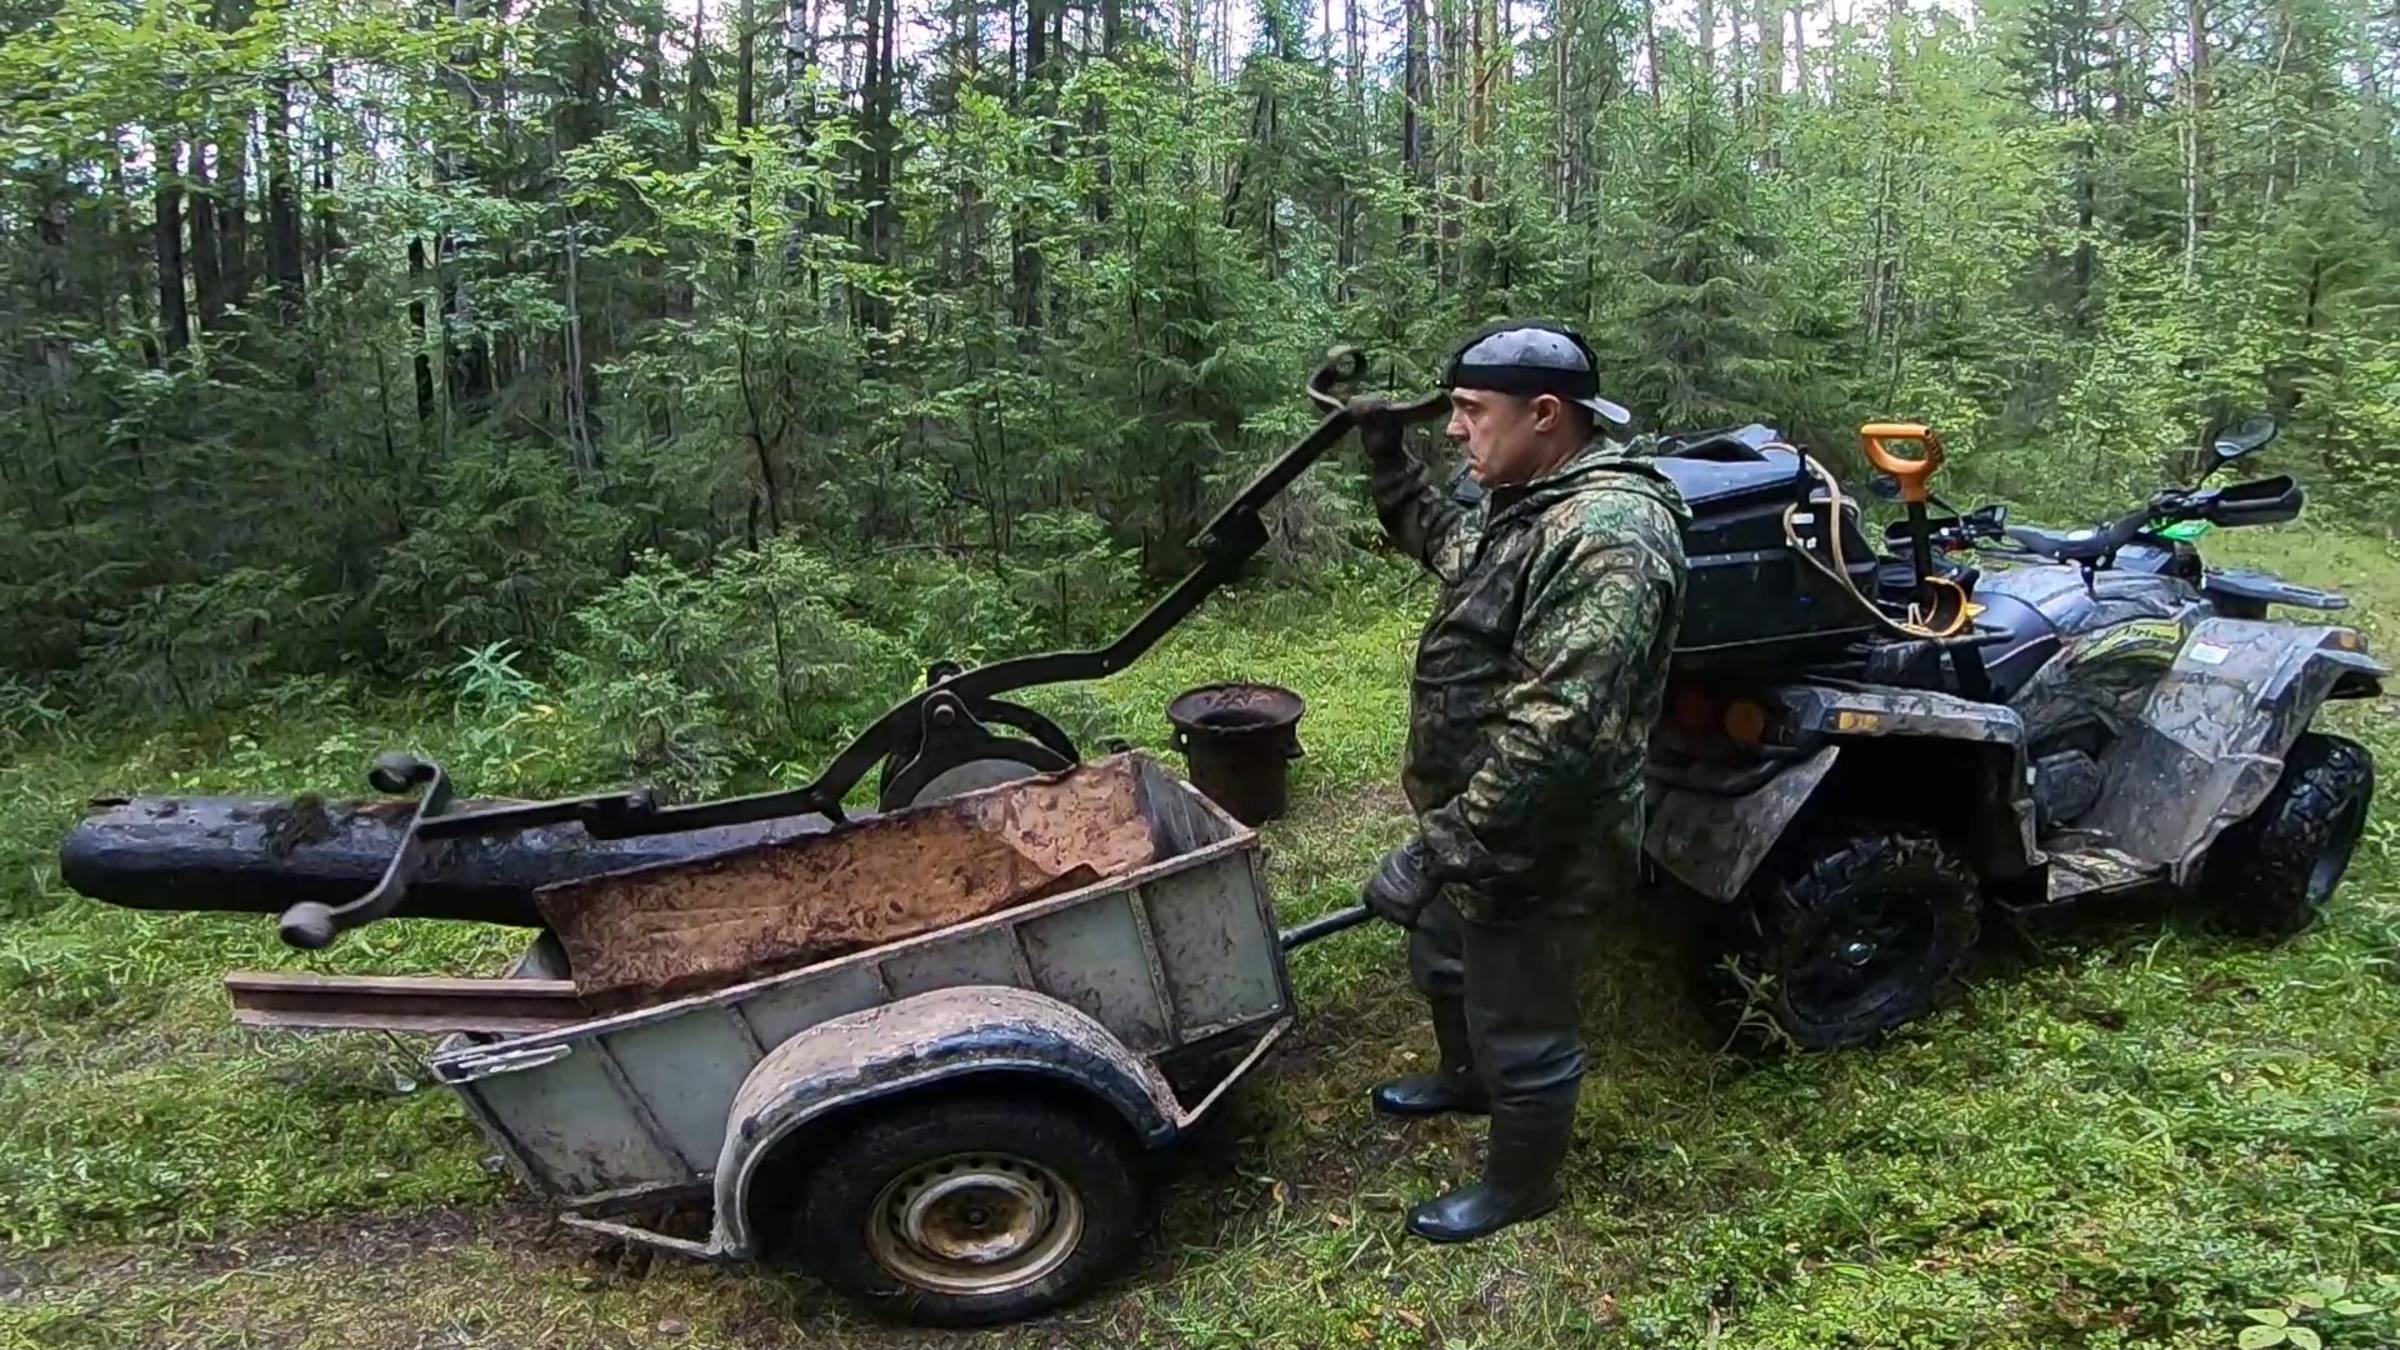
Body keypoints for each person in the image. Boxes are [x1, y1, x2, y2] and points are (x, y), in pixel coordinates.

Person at [1346, 321, 1690, 1243]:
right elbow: (1445, 543)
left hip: (1539, 837)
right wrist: (1387, 460)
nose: (1454, 429)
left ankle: (1520, 1186)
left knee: (1522, 1019)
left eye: (1470, 410)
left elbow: (1561, 732)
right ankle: (1464, 1081)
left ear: (1544, 414)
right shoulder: (1528, 502)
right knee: (1447, 959)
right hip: (1470, 820)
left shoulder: (1611, 535)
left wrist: (1438, 850)